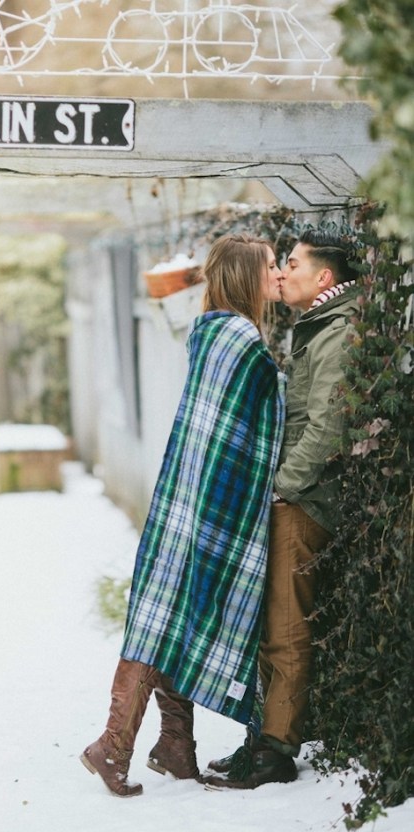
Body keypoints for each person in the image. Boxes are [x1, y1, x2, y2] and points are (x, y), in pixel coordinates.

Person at [80, 233, 286, 797]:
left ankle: (174, 746)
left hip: (185, 496)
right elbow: (255, 430)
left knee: (170, 611)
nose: (279, 273)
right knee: (171, 614)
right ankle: (112, 747)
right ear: (248, 276)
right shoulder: (242, 341)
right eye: (270, 265)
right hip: (213, 504)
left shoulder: (210, 331)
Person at [202, 228, 360, 790]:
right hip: (290, 498)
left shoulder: (337, 331)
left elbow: (327, 427)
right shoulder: (315, 327)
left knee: (286, 629)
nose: (282, 272)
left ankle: (276, 752)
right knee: (270, 623)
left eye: (292, 263)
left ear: (324, 277)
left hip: (302, 501)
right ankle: (263, 737)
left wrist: (282, 485)